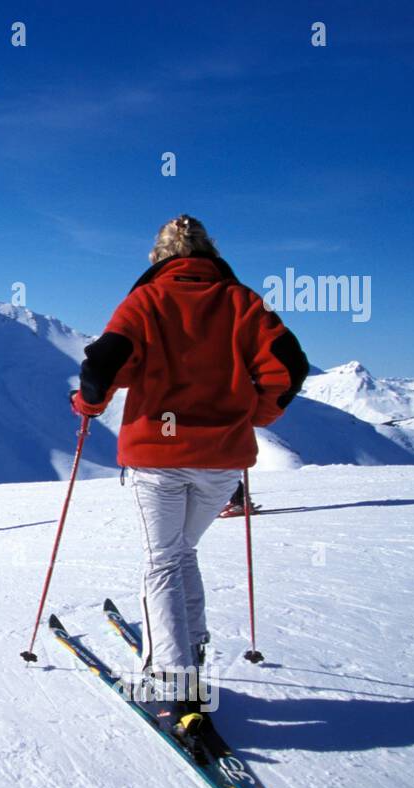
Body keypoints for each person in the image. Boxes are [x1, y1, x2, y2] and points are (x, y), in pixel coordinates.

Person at [69, 215, 308, 729]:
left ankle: (174, 683)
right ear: (209, 252)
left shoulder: (146, 301)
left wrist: (88, 405)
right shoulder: (243, 302)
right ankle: (190, 650)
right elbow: (289, 365)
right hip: (222, 459)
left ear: (158, 256)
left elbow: (103, 363)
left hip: (157, 455)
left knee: (161, 561)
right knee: (181, 552)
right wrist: (256, 415)